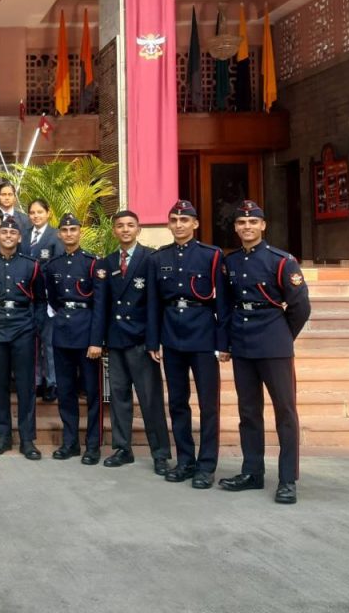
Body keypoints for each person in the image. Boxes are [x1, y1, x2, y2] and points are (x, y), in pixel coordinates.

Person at [218, 200, 311, 504]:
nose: (247, 227)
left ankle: (287, 480)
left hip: (273, 342)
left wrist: (283, 335)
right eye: (241, 223)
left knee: (285, 412)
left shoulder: (281, 261)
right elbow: (227, 305)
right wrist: (226, 343)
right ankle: (252, 472)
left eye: (253, 222)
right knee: (248, 412)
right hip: (242, 343)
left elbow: (300, 306)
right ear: (236, 228)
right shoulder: (231, 262)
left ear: (263, 225)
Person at [147, 199, 229, 489]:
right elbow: (154, 303)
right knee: (178, 402)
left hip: (204, 335)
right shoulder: (159, 258)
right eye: (174, 220)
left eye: (184, 220)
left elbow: (222, 303)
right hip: (172, 335)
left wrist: (223, 342)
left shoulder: (212, 255)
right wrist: (153, 340)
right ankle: (185, 461)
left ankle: (206, 465)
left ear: (195, 223)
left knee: (208, 404)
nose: (179, 225)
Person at [91, 211, 171, 475]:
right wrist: (98, 340)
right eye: (120, 226)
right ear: (114, 230)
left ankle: (160, 454)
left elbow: (156, 303)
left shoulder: (151, 258)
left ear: (139, 229)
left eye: (130, 225)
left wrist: (154, 341)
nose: (125, 230)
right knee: (119, 397)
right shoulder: (106, 262)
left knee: (150, 399)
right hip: (116, 340)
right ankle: (122, 448)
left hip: (141, 340)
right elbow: (101, 305)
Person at [0, 215, 44, 460]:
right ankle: (3, 436)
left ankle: (27, 439)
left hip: (23, 329)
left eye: (12, 233)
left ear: (19, 237)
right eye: (4, 232)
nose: (8, 236)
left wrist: (35, 328)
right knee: (0, 385)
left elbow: (40, 301)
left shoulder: (31, 265)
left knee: (26, 386)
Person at [45, 213, 103, 464]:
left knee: (92, 392)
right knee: (66, 391)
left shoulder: (92, 264)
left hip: (87, 333)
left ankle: (93, 445)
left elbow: (99, 305)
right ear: (59, 234)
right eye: (65, 230)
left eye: (73, 229)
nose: (69, 234)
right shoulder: (53, 265)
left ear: (80, 232)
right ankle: (70, 443)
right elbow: (53, 299)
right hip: (62, 333)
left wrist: (96, 340)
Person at [28, 198, 64, 403]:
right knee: (32, 342)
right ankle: (36, 381)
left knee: (49, 343)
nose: (36, 216)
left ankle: (52, 383)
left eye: (40, 212)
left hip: (48, 299)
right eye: (32, 213)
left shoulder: (55, 236)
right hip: (28, 298)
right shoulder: (24, 235)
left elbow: (57, 266)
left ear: (48, 213)